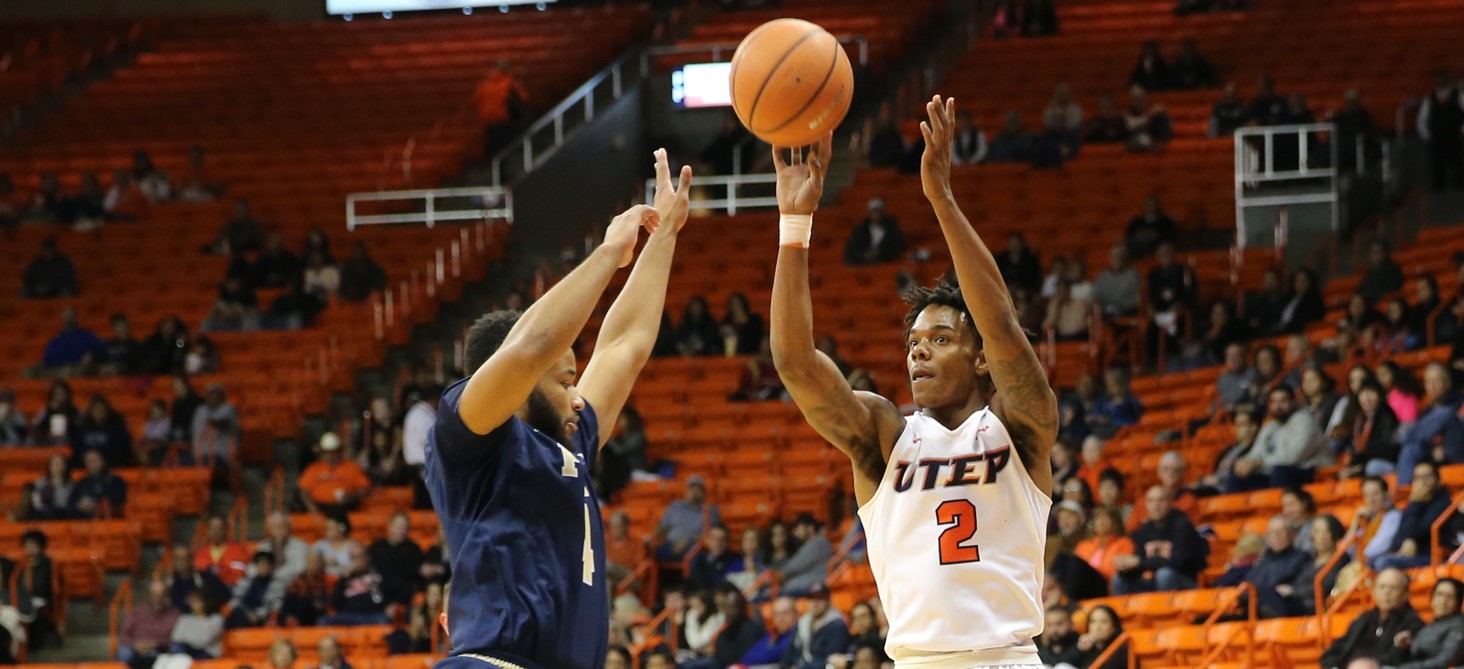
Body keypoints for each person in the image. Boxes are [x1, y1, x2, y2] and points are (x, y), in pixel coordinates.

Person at [769, 96, 1057, 665]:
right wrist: (794, 225)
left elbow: (1000, 321)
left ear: (981, 359)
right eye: (914, 343)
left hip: (1006, 658)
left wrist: (941, 199)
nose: (919, 351)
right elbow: (794, 362)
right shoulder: (884, 435)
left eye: (942, 339)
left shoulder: (1019, 425)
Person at [423, 150, 689, 669]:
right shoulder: (468, 437)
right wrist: (609, 254)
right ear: (518, 384)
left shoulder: (567, 445)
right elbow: (532, 346)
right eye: (566, 381)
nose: (578, 395)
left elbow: (625, 345)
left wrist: (665, 235)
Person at [1111, 486, 1208, 594]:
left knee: (1164, 574)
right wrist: (1126, 566)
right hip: (1156, 583)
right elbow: (1141, 564)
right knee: (1118, 579)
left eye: (1161, 501)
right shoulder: (1144, 530)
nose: (1155, 506)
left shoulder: (1183, 526)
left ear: (1171, 503)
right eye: (1151, 501)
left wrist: (1138, 562)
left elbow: (1176, 563)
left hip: (1186, 583)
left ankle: (1165, 605)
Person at [1320, 568, 1423, 669]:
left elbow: (1402, 659)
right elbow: (1338, 648)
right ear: (1374, 591)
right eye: (1382, 587)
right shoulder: (1364, 619)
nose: (1386, 592)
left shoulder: (1413, 623)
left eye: (1393, 588)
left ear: (1406, 594)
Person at [1230, 385, 1328, 490]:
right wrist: (1245, 462)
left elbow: (1292, 458)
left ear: (1293, 402)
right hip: (1275, 474)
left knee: (1280, 472)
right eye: (1274, 402)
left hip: (1312, 471)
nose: (1278, 406)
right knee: (1237, 478)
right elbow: (1256, 452)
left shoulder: (1305, 421)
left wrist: (1260, 463)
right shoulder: (1270, 427)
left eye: (1283, 401)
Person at [1373, 461, 1452, 571]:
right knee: (1371, 563)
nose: (1422, 482)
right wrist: (1415, 502)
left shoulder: (1443, 502)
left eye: (1427, 476)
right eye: (1418, 478)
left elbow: (1421, 529)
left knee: (1383, 562)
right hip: (1409, 553)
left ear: (1438, 480)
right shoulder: (1415, 503)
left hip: (1429, 556)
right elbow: (1399, 536)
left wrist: (1415, 501)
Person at [323, 544, 404, 626]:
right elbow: (335, 604)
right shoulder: (345, 579)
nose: (356, 562)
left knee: (385, 619)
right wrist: (344, 578)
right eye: (353, 558)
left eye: (359, 557)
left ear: (367, 558)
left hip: (375, 616)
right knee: (323, 620)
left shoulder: (381, 574)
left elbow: (404, 589)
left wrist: (393, 604)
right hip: (349, 617)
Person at [1248, 516, 1312, 618]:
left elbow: (1280, 583)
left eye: (1281, 532)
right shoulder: (1264, 560)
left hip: (1286, 605)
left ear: (1292, 534)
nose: (1276, 536)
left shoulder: (1301, 557)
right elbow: (1250, 582)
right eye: (1272, 532)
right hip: (1257, 605)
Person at [1393, 577, 1464, 669]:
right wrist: (1405, 647)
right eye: (1439, 594)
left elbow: (1444, 660)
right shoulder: (1431, 625)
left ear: (1458, 601)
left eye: (1449, 596)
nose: (1443, 601)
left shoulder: (1458, 625)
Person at [299, 432, 372, 516]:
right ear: (321, 454)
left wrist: (352, 497)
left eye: (334, 452)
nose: (330, 455)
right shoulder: (313, 469)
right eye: (327, 452)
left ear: (340, 452)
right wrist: (312, 509)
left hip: (345, 509)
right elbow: (304, 492)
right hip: (320, 508)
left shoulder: (352, 467)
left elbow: (364, 489)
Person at [118, 577, 181, 669]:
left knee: (178, 650)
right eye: (155, 594)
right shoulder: (137, 611)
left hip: (162, 650)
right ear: (150, 595)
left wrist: (158, 644)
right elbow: (124, 633)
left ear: (167, 595)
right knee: (124, 652)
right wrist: (135, 644)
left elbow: (179, 637)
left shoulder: (174, 614)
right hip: (136, 649)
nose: (158, 597)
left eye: (161, 594)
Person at [783, 584, 850, 669]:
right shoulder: (802, 623)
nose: (815, 603)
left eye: (819, 598)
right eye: (811, 598)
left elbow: (833, 660)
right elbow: (788, 654)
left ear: (828, 601)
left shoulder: (837, 625)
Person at [655, 475, 721, 560]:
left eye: (698, 489)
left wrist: (687, 541)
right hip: (671, 544)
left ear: (704, 493)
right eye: (691, 489)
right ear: (686, 491)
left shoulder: (711, 510)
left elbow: (711, 535)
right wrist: (656, 533)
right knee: (651, 551)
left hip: (694, 545)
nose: (694, 492)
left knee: (696, 553)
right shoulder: (675, 506)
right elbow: (662, 527)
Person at [1418, 70, 1464, 191]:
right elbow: (1422, 120)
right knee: (1438, 168)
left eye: (1442, 78)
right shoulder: (1430, 99)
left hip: (1454, 136)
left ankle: (1459, 192)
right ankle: (1438, 193)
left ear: (1447, 80)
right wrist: (1427, 136)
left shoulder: (1459, 96)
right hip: (1437, 138)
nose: (1440, 81)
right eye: (1437, 79)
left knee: (1457, 167)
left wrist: (1462, 131)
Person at [475, 60, 529, 157]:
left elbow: (477, 100)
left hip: (488, 120)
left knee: (493, 146)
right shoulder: (510, 83)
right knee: (505, 147)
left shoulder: (484, 85)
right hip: (504, 119)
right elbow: (524, 98)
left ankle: (495, 164)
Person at [775, 514, 835, 595]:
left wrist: (778, 572)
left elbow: (795, 565)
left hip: (819, 581)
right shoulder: (818, 541)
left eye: (798, 527)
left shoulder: (817, 542)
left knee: (788, 586)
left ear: (810, 527)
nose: (795, 531)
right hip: (817, 577)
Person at [1350, 476, 1403, 566]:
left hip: (1378, 563)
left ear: (1385, 494)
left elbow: (1380, 546)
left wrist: (1358, 558)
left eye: (1375, 494)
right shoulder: (1368, 517)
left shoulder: (1393, 515)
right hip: (1361, 562)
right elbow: (1347, 549)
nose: (1371, 500)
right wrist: (1355, 523)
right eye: (1366, 495)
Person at [224, 552, 286, 628]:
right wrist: (246, 612)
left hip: (262, 617)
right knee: (233, 614)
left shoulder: (277, 585)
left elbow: (276, 605)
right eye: (261, 564)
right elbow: (236, 598)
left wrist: (258, 614)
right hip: (243, 612)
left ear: (271, 566)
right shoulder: (246, 581)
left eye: (266, 564)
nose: (263, 567)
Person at [72, 394, 134, 468]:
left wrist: (102, 457)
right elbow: (77, 447)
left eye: (102, 408)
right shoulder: (82, 428)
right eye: (96, 409)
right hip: (88, 463)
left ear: (107, 410)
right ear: (91, 411)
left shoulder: (117, 426)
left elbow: (124, 448)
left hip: (112, 464)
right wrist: (87, 455)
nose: (99, 411)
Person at [369, 512, 424, 592]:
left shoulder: (413, 549)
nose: (402, 531)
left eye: (405, 527)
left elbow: (416, 574)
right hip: (380, 589)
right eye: (398, 527)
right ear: (389, 526)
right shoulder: (376, 547)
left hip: (403, 591)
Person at [843, 198, 906, 266]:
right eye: (873, 211)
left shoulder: (892, 230)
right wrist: (864, 255)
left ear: (883, 212)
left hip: (884, 263)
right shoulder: (860, 230)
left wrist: (879, 252)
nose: (876, 214)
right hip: (863, 263)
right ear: (869, 213)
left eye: (878, 211)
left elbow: (898, 246)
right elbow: (851, 249)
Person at [738, 596, 797, 667]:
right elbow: (747, 657)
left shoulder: (798, 634)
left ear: (796, 614)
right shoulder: (772, 633)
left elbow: (773, 655)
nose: (780, 618)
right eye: (776, 614)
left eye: (785, 613)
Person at [257, 511, 310, 586]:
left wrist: (274, 574)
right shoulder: (264, 545)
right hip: (266, 584)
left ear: (289, 528)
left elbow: (300, 567)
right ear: (270, 530)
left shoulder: (300, 545)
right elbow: (255, 565)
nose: (279, 530)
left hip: (290, 585)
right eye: (275, 526)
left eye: (283, 526)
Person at [71, 448, 128, 518]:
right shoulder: (81, 483)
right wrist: (79, 506)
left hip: (111, 519)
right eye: (88, 461)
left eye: (94, 460)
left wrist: (97, 504)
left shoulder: (115, 480)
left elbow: (120, 499)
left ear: (102, 461)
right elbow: (72, 504)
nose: (92, 464)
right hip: (86, 520)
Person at [42, 307, 103, 371]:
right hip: (60, 370)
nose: (68, 319)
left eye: (70, 316)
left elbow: (101, 352)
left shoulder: (88, 336)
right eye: (66, 316)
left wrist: (92, 356)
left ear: (75, 318)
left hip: (81, 370)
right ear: (61, 319)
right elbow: (47, 360)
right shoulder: (55, 341)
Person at [168, 590, 224, 659]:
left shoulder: (216, 619)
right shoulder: (184, 618)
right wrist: (192, 638)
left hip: (207, 653)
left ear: (206, 602)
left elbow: (205, 639)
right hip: (186, 651)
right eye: (192, 601)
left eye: (197, 601)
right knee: (176, 647)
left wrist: (187, 637)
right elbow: (176, 637)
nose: (194, 604)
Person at [1092, 245, 1141, 318]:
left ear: (1124, 259)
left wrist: (1118, 307)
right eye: (1114, 256)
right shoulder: (1102, 276)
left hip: (1127, 312)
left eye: (1120, 256)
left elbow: (1135, 298)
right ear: (1110, 258)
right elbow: (1096, 295)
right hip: (1105, 312)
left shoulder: (1132, 275)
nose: (1117, 259)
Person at [1125, 194, 1177, 259]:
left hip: (1158, 247)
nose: (1151, 207)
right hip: (1138, 248)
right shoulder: (1136, 222)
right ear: (1145, 206)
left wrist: (1154, 235)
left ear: (1158, 205)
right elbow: (1129, 236)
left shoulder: (1165, 221)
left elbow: (1171, 236)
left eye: (1153, 204)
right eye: (1149, 204)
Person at [1075, 605, 1128, 669]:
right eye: (1093, 622)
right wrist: (1079, 651)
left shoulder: (1121, 650)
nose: (1097, 627)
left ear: (1114, 627)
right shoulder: (1087, 649)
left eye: (1104, 622)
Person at [1360, 241, 1406, 305]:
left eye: (1376, 252)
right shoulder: (1370, 272)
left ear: (1385, 253)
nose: (1372, 256)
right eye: (1371, 252)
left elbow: (1390, 291)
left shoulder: (1393, 270)